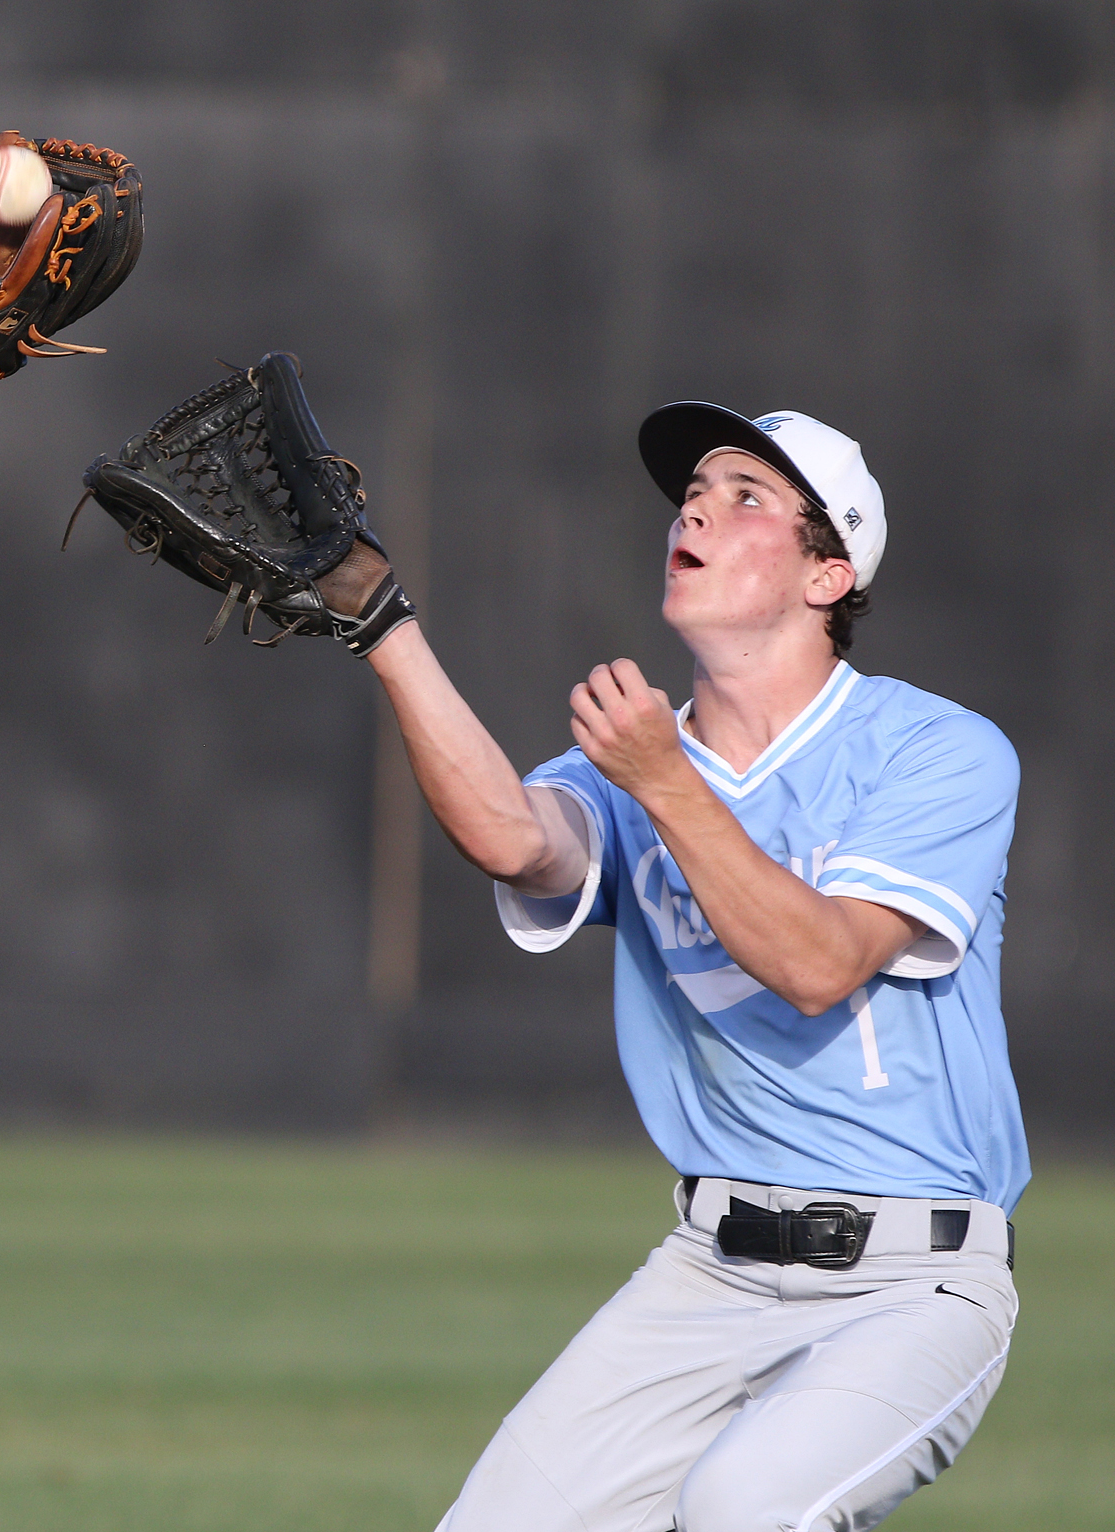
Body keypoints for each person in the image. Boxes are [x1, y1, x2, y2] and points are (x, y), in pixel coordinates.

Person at [347, 404, 1025, 1531]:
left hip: (912, 1282)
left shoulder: (935, 751)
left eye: (746, 497)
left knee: (743, 1508)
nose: (696, 508)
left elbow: (818, 961)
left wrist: (664, 783)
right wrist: (380, 625)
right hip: (707, 1268)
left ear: (826, 573)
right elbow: (516, 838)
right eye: (691, 495)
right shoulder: (631, 759)